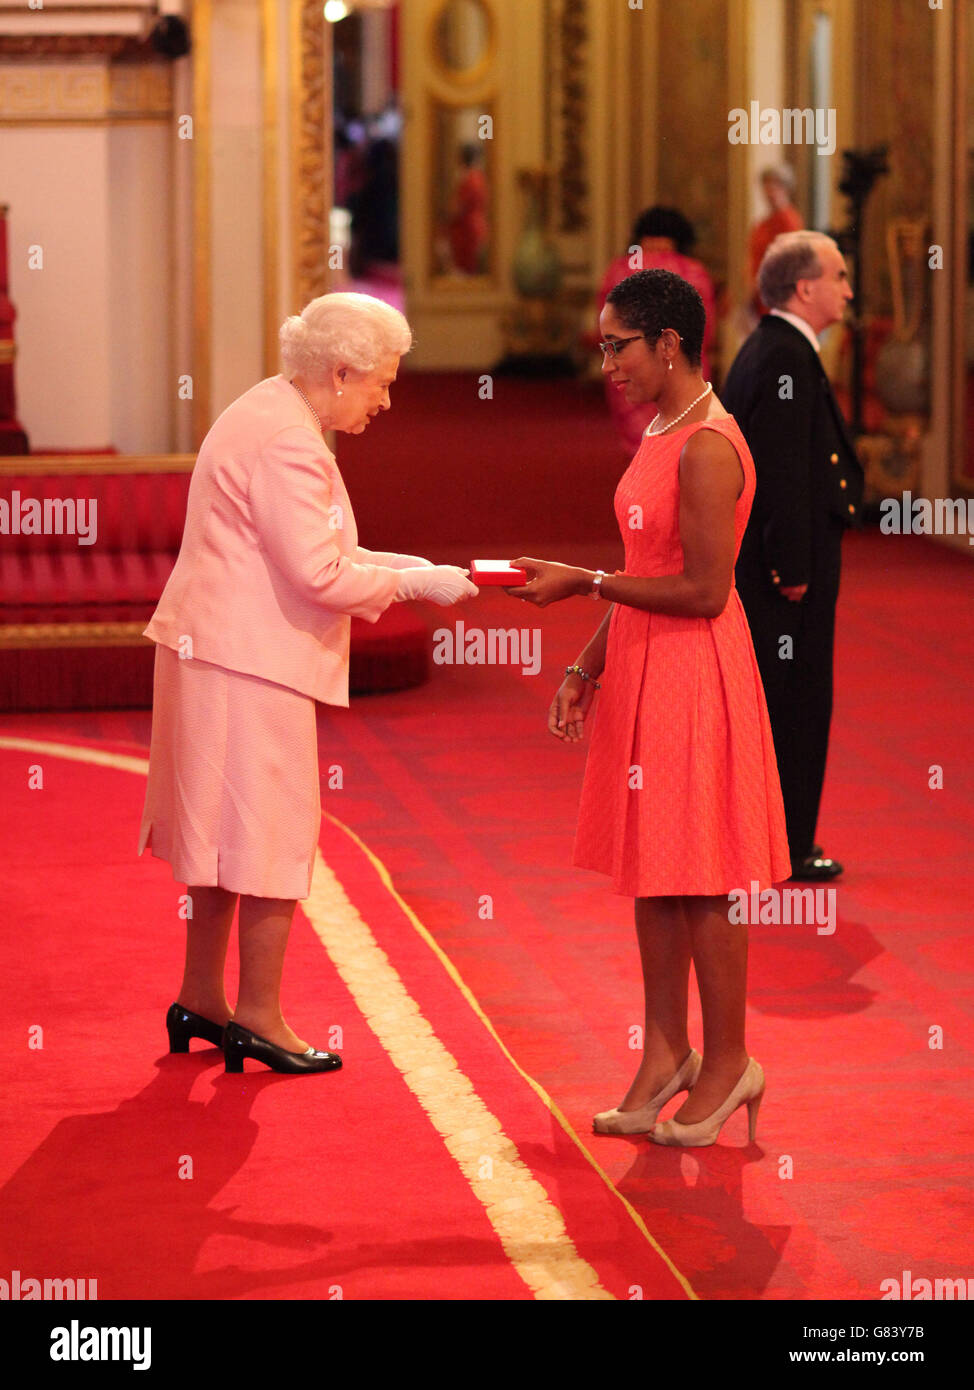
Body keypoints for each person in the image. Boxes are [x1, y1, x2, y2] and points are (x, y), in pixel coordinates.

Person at [139, 292, 477, 1074]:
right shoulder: (291, 443)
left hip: (222, 647)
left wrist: (412, 569)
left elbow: (318, 551)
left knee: (223, 837)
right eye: (382, 383)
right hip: (244, 660)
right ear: (341, 370)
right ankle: (257, 1016)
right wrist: (414, 588)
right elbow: (321, 574)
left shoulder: (273, 410)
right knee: (268, 836)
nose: (387, 401)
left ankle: (200, 997)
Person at [507, 269, 790, 1147]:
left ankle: (731, 1059)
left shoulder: (707, 443)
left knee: (702, 877)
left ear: (669, 343)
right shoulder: (664, 428)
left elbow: (705, 590)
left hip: (694, 670)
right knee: (654, 873)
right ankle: (666, 1051)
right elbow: (648, 557)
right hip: (642, 663)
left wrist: (585, 582)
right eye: (603, 347)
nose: (608, 364)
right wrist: (589, 662)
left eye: (617, 346)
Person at [721, 231, 863, 881]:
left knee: (786, 701)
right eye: (838, 276)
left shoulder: (779, 349)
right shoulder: (783, 358)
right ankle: (787, 846)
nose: (848, 289)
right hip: (786, 571)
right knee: (794, 703)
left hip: (784, 563)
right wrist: (794, 567)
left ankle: (772, 839)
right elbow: (779, 471)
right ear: (805, 288)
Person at [597, 207, 717, 453]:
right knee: (683, 443)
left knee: (641, 445)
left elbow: (604, 329)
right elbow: (708, 332)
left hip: (630, 367)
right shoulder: (694, 272)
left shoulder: (620, 270)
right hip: (683, 369)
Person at [747, 165, 803, 318]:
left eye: (776, 185)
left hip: (779, 297)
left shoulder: (790, 221)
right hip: (760, 296)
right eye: (767, 185)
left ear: (786, 188)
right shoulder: (762, 224)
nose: (770, 191)